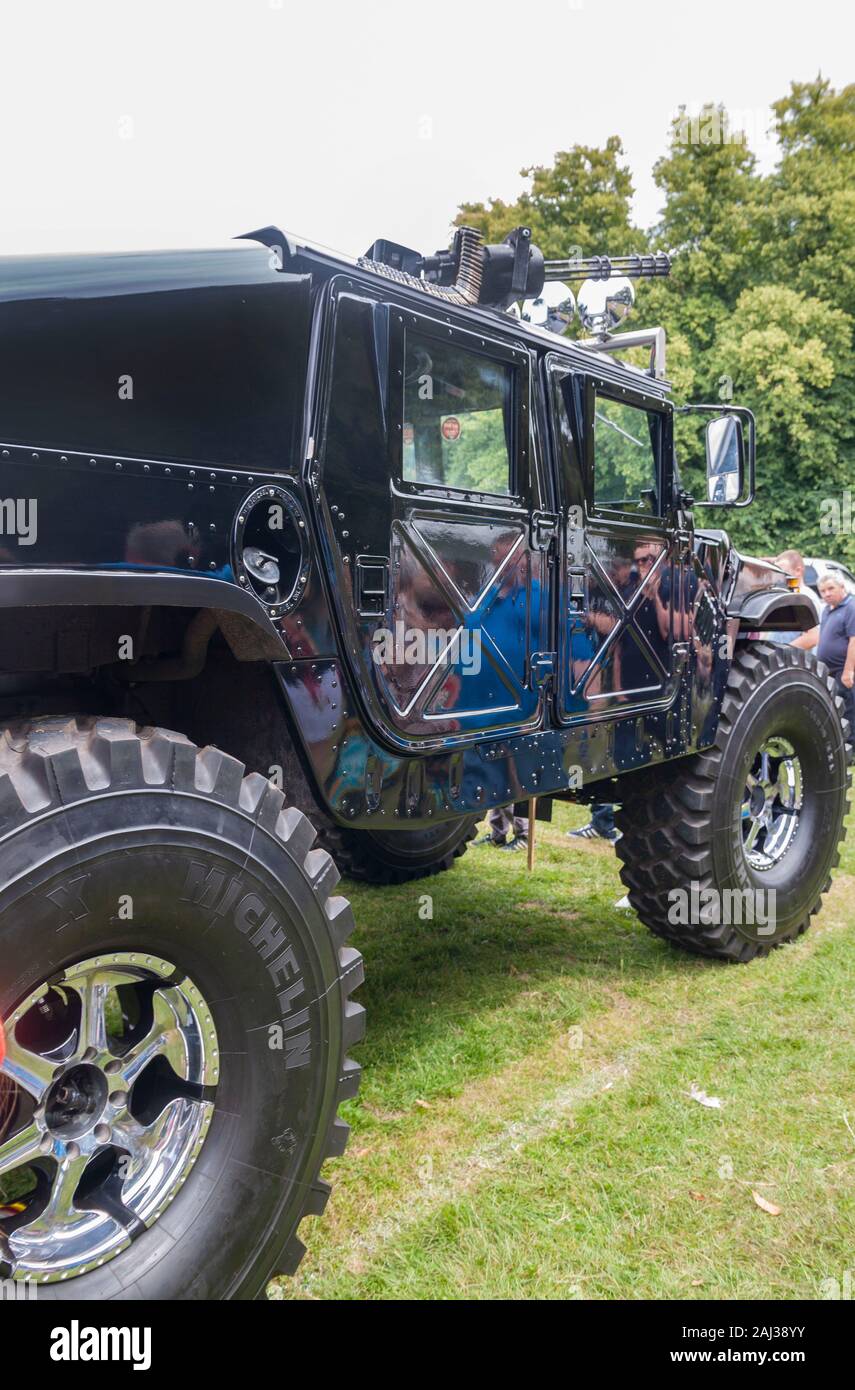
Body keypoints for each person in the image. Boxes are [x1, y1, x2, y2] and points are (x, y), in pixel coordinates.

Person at [791, 573, 855, 731]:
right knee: (836, 713)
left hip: (843, 672)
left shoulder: (851, 608)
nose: (827, 593)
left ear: (842, 587)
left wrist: (848, 671)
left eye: (831, 588)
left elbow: (854, 641)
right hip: (828, 672)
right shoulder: (826, 610)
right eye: (823, 591)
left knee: (850, 712)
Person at [766, 549, 823, 643]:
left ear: (798, 571)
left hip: (792, 657)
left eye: (783, 572)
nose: (778, 576)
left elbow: (812, 638)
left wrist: (779, 654)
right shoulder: (788, 595)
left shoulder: (805, 598)